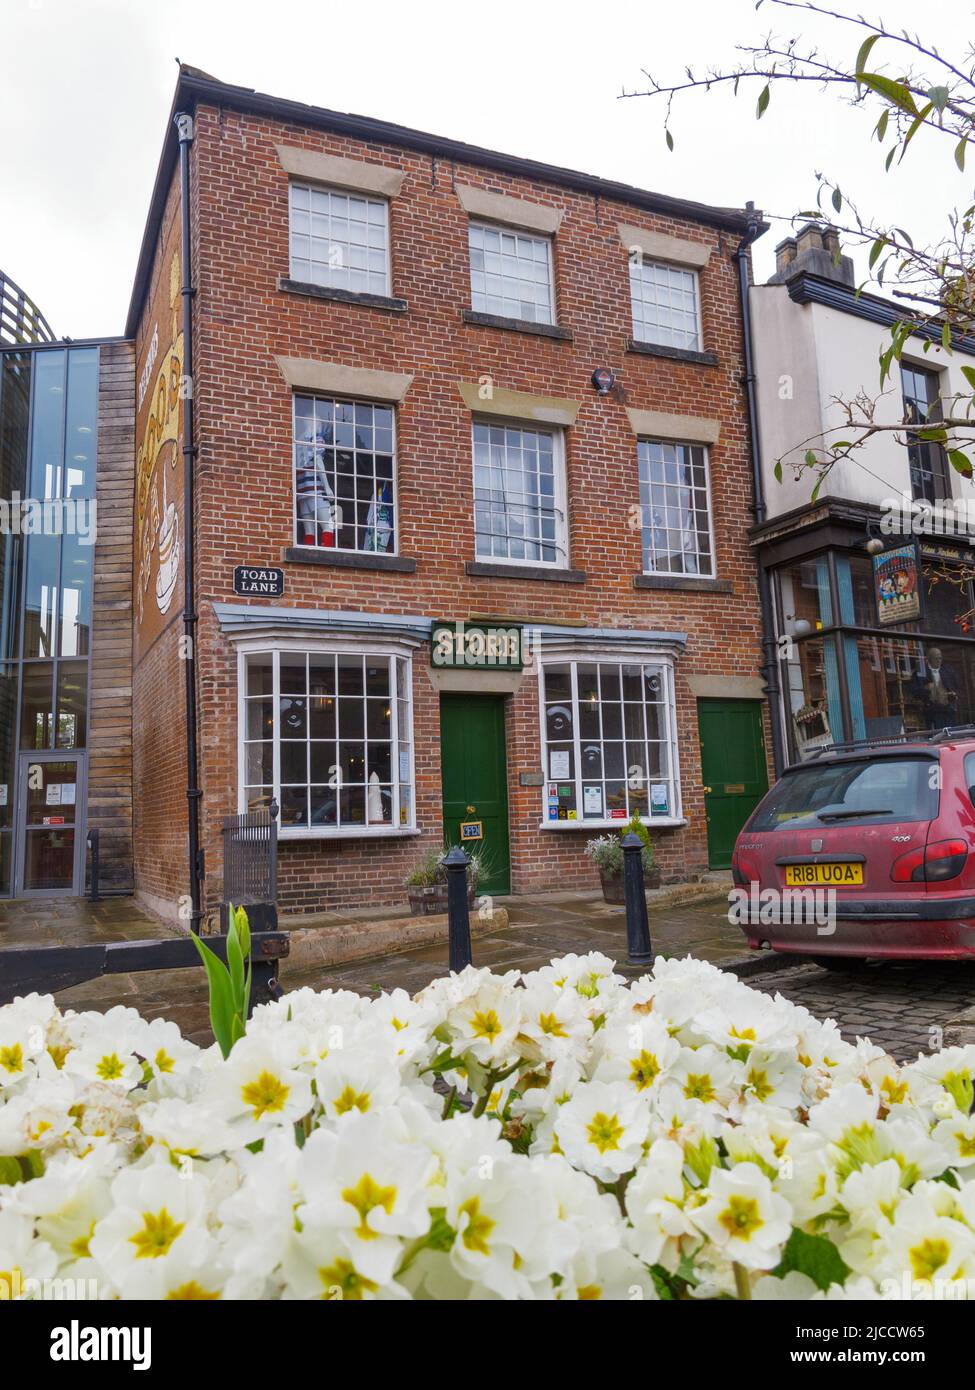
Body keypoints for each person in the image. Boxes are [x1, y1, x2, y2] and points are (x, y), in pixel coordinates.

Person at [911, 646, 962, 726]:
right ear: (929, 659)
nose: (939, 661)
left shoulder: (948, 670)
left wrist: (954, 694)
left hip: (949, 710)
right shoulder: (920, 673)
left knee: (952, 733)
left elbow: (959, 686)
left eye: (940, 658)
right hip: (932, 711)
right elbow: (914, 692)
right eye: (936, 658)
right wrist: (925, 688)